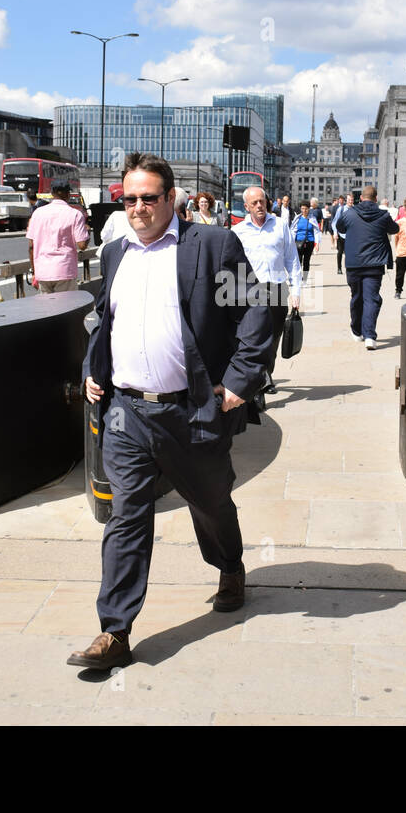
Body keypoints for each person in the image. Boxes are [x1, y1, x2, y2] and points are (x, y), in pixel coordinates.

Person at [70, 153, 273, 671]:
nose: (138, 207)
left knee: (210, 501)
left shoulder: (211, 244)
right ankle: (114, 630)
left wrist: (239, 383)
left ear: (171, 199)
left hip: (193, 409)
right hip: (127, 412)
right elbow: (105, 318)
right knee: (126, 516)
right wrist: (96, 369)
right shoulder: (114, 253)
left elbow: (259, 304)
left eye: (149, 198)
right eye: (129, 198)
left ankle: (229, 566)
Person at [232, 186, 301, 395]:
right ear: (246, 206)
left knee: (273, 339)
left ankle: (266, 374)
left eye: (262, 201)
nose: (260, 205)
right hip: (251, 290)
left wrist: (296, 291)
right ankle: (259, 382)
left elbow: (292, 259)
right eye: (254, 203)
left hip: (278, 289)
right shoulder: (238, 232)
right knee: (254, 338)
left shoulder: (280, 225)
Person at [335, 185, 399, 350]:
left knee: (356, 297)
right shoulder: (383, 215)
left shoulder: (349, 213)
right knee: (371, 299)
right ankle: (370, 336)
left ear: (361, 198)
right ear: (376, 199)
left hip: (354, 264)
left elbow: (339, 227)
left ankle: (357, 331)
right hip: (375, 264)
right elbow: (395, 229)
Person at [26, 177, 89, 292]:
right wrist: (87, 230)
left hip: (43, 272)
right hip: (65, 271)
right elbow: (82, 245)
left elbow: (31, 246)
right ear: (68, 194)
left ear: (51, 193)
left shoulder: (37, 213)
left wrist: (34, 272)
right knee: (66, 309)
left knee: (47, 309)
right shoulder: (75, 214)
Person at [293, 202, 318, 280]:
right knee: (298, 261)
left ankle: (305, 279)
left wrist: (317, 243)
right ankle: (298, 277)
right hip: (298, 242)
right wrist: (291, 242)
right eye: (302, 208)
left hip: (309, 242)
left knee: (306, 261)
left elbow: (316, 231)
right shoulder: (297, 218)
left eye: (306, 209)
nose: (304, 210)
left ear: (309, 209)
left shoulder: (312, 219)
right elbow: (293, 230)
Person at [333, 193, 355, 274]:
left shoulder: (355, 209)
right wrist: (335, 232)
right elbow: (335, 222)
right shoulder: (341, 209)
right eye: (349, 200)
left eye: (352, 200)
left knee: (349, 252)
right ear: (346, 200)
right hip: (341, 234)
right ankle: (339, 268)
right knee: (340, 252)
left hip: (351, 235)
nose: (350, 201)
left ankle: (349, 268)